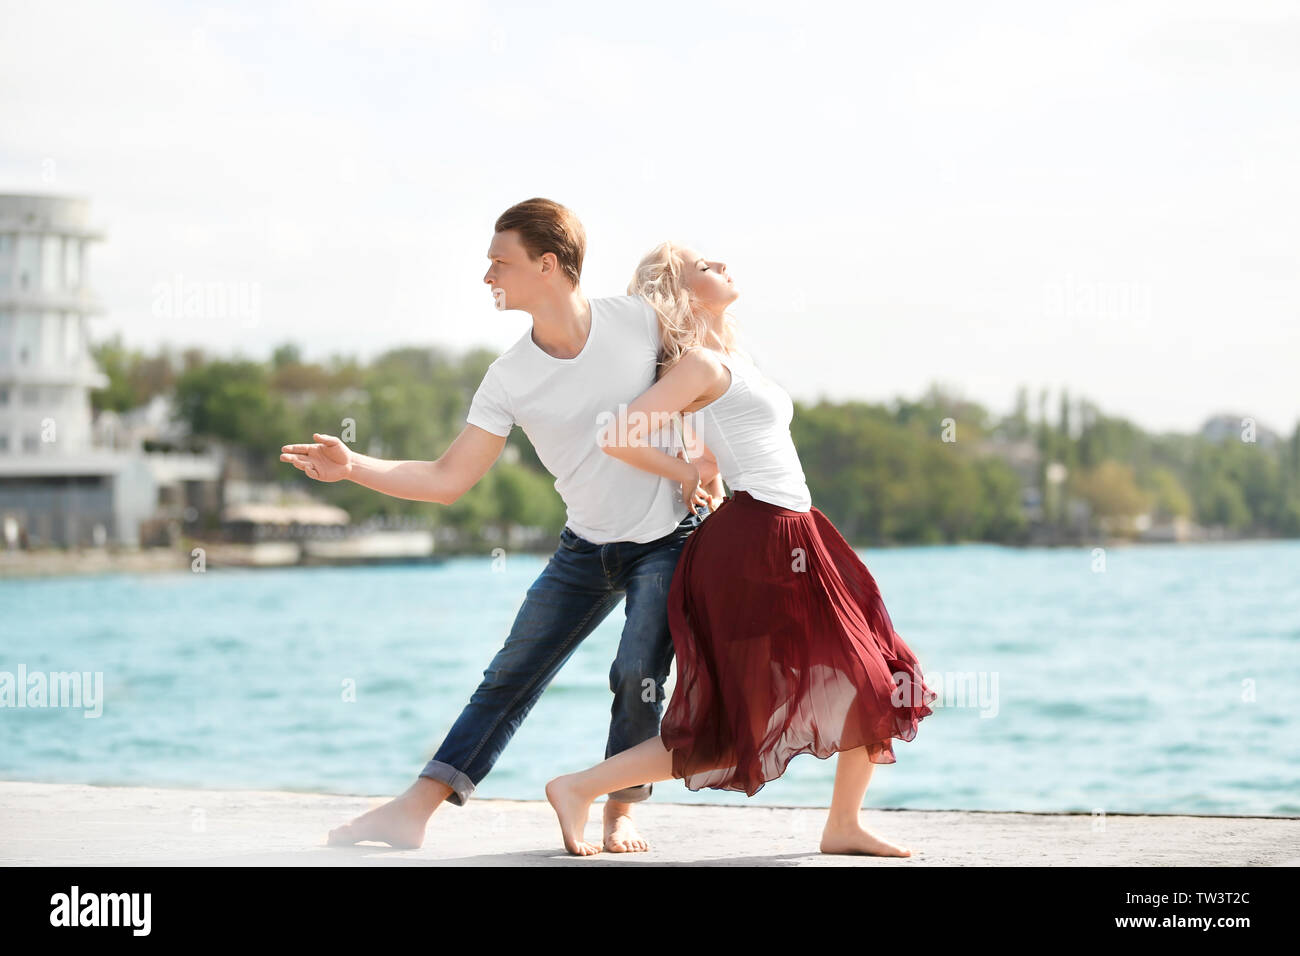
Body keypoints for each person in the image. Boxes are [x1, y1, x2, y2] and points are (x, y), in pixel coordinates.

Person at [280, 201, 723, 852]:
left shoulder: (638, 322)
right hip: (586, 546)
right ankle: (413, 811)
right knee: (510, 674)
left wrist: (702, 460)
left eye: (499, 262)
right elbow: (446, 478)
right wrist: (353, 468)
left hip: (665, 538)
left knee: (637, 672)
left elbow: (709, 376)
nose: (487, 275)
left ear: (548, 266)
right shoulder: (510, 377)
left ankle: (619, 807)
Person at [544, 241, 938, 856]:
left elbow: (720, 438)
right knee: (737, 723)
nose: (722, 264)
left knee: (878, 679)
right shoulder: (698, 364)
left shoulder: (733, 357)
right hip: (757, 542)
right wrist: (682, 472)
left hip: (798, 530)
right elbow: (617, 436)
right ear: (681, 291)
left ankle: (841, 825)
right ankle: (578, 788)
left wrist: (703, 463)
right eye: (704, 265)